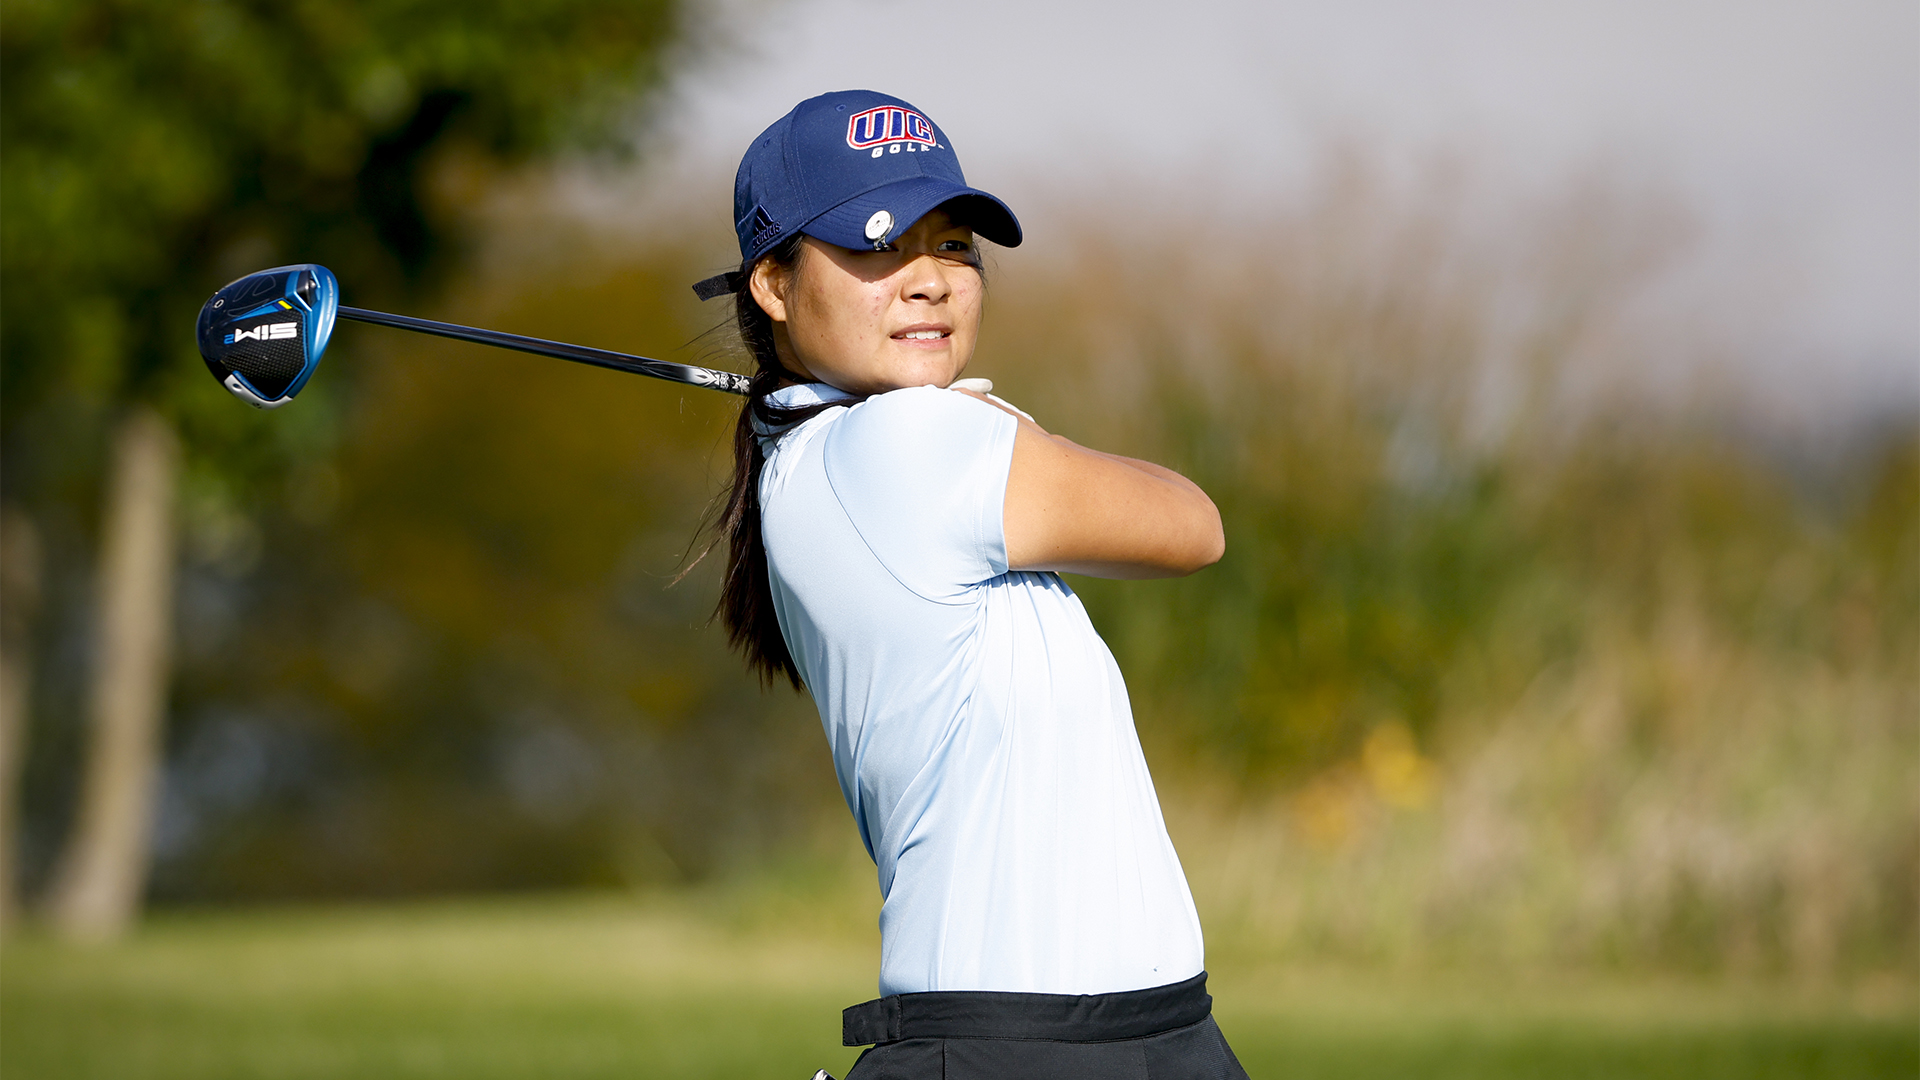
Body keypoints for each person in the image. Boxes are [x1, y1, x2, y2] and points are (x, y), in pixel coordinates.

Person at [692, 90, 1247, 1080]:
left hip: (1152, 1028)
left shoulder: (841, 453)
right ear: (772, 284)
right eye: (877, 250)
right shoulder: (911, 442)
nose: (929, 283)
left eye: (955, 248)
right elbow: (1193, 526)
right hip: (1018, 1046)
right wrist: (1014, 427)